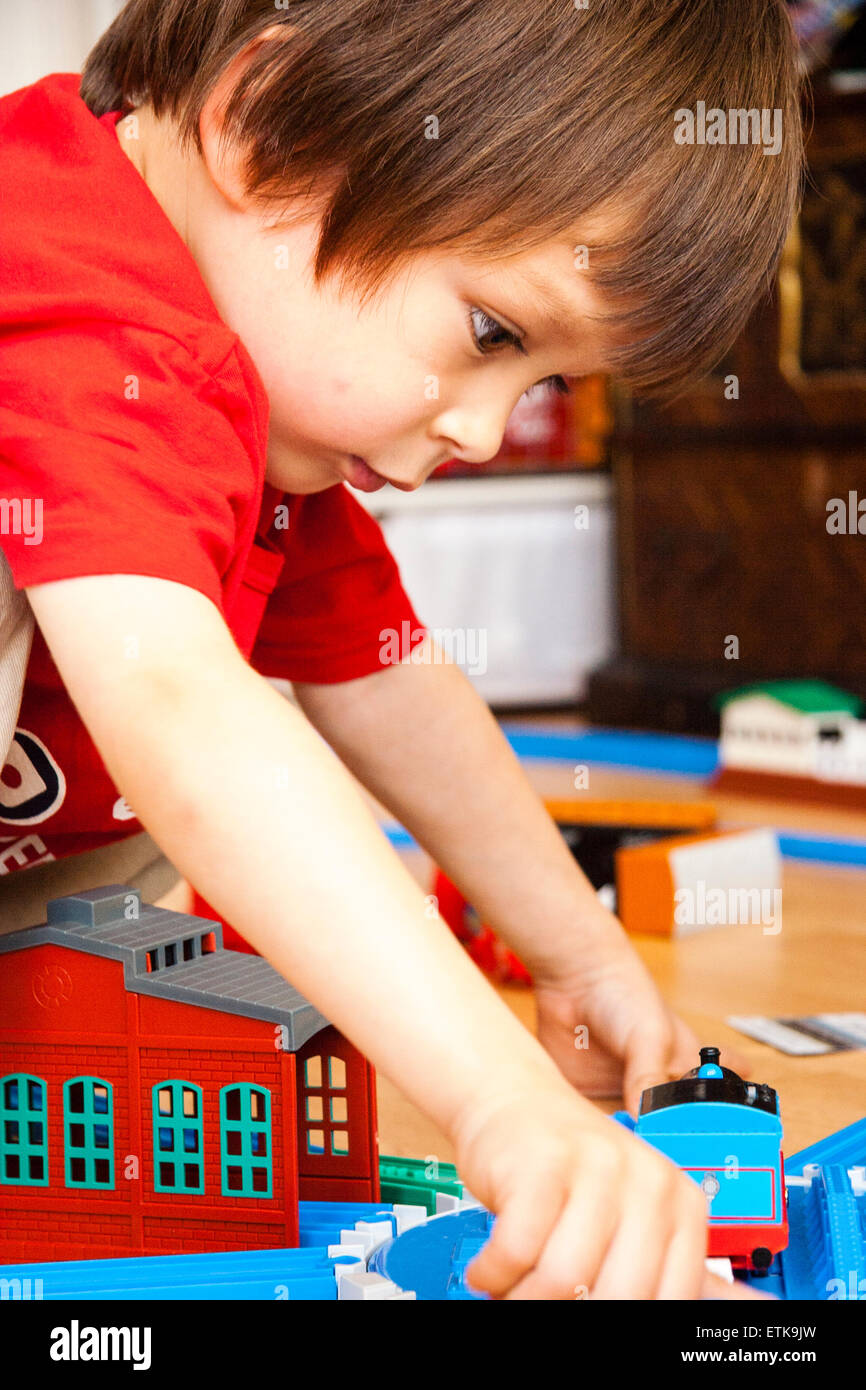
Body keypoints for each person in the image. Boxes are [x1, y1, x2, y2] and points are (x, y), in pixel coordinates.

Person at [0, 0, 803, 1299]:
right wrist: (497, 1103)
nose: (484, 429)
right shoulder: (69, 303)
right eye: (491, 333)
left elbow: (382, 670)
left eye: (537, 383)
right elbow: (178, 703)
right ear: (264, 128)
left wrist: (576, 955)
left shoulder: (246, 397)